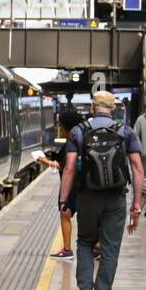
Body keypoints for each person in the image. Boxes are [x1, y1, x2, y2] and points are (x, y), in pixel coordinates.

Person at [59, 90, 145, 290]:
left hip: (87, 196)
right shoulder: (125, 131)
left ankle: (86, 289)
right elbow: (137, 168)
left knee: (85, 241)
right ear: (113, 108)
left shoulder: (78, 131)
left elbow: (69, 169)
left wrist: (63, 201)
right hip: (116, 199)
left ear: (92, 107)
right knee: (110, 248)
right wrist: (136, 203)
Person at [38, 108, 85, 259]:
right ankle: (97, 247)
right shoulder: (85, 138)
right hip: (85, 184)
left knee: (65, 214)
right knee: (88, 216)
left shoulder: (71, 141)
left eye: (62, 125)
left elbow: (65, 166)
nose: (60, 129)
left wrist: (45, 161)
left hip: (72, 185)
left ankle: (67, 249)